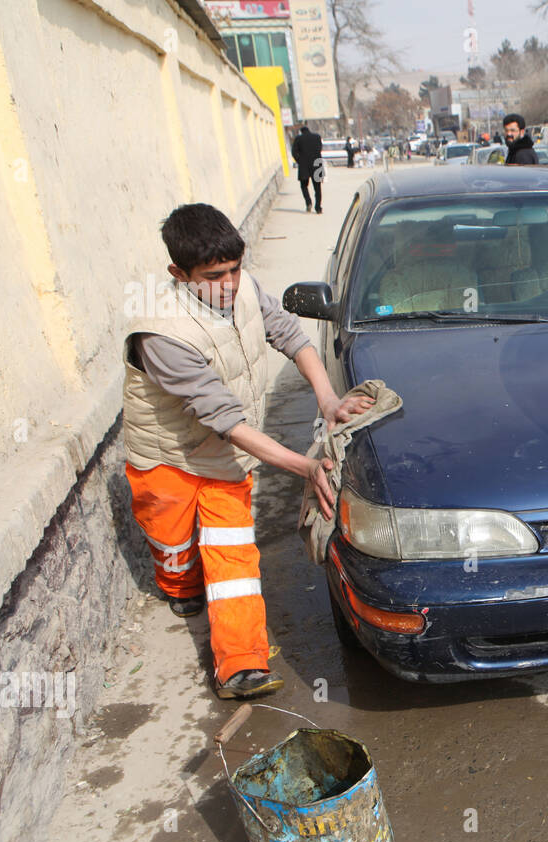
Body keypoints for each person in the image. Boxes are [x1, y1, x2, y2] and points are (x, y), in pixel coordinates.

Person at [123, 204, 374, 700]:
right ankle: (180, 588)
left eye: (236, 269)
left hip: (223, 460)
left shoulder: (246, 289)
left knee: (233, 557)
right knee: (173, 549)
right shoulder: (162, 335)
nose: (230, 283)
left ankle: (240, 665)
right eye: (214, 276)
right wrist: (304, 466)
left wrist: (327, 400)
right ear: (179, 274)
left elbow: (291, 336)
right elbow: (227, 420)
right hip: (164, 461)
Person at [291, 125, 323, 213]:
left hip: (304, 165)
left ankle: (308, 202)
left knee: (304, 186)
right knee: (317, 187)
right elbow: (320, 149)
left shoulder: (298, 139)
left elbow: (294, 152)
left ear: (301, 132)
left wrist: (300, 161)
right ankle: (318, 208)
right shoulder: (317, 137)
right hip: (317, 164)